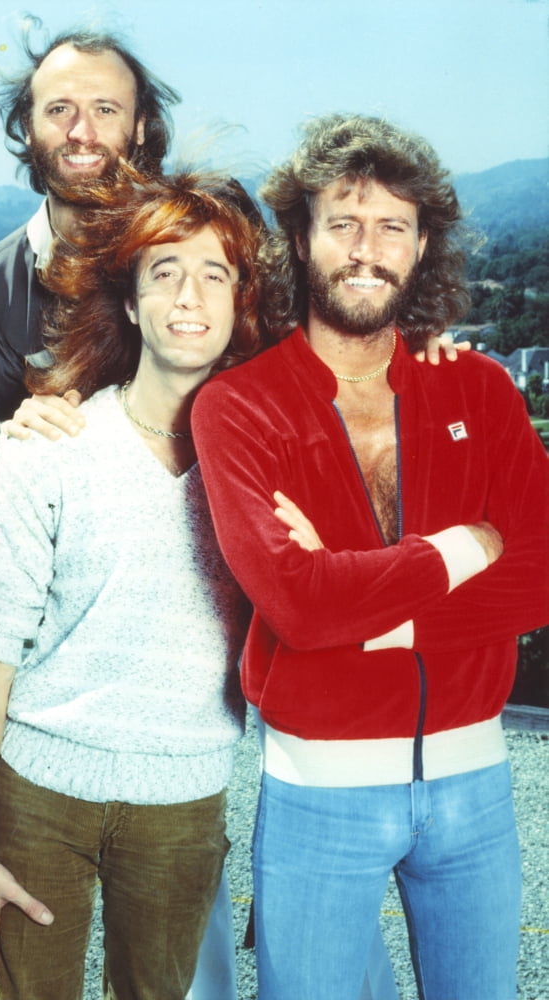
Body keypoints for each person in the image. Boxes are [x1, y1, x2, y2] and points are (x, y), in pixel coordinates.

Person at [191, 113, 549, 1000]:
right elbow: (300, 605)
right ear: (302, 237)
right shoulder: (239, 408)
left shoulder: (477, 386)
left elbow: (541, 570)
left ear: (423, 245)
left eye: (393, 225)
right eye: (343, 222)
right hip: (319, 794)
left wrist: (382, 621)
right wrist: (470, 545)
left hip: (476, 788)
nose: (367, 248)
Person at [0, 172, 267, 1000]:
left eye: (214, 273)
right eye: (163, 272)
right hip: (41, 794)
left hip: (184, 801)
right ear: (129, 303)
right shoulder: (49, 447)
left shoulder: (272, 467)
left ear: (241, 302)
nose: (188, 294)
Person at [0, 19, 179, 476]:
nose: (81, 132)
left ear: (139, 126)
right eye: (59, 109)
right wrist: (13, 431)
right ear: (28, 126)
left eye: (105, 110)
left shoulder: (197, 242)